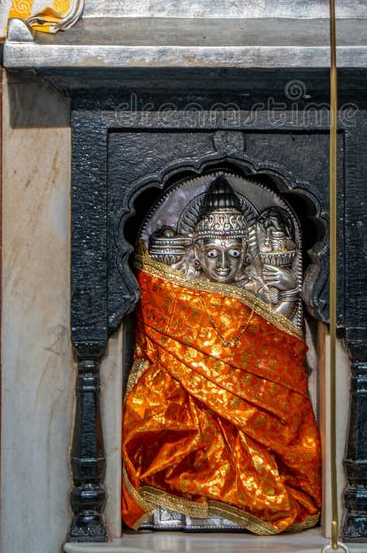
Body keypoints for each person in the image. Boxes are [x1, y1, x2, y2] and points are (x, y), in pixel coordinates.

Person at [121, 176, 321, 534]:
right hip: (192, 409)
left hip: (254, 410)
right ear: (196, 253)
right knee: (169, 400)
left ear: (247, 254)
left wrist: (290, 293)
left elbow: (279, 343)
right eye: (213, 253)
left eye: (233, 253)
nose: (224, 264)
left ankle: (242, 500)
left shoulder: (255, 287)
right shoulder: (179, 295)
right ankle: (179, 497)